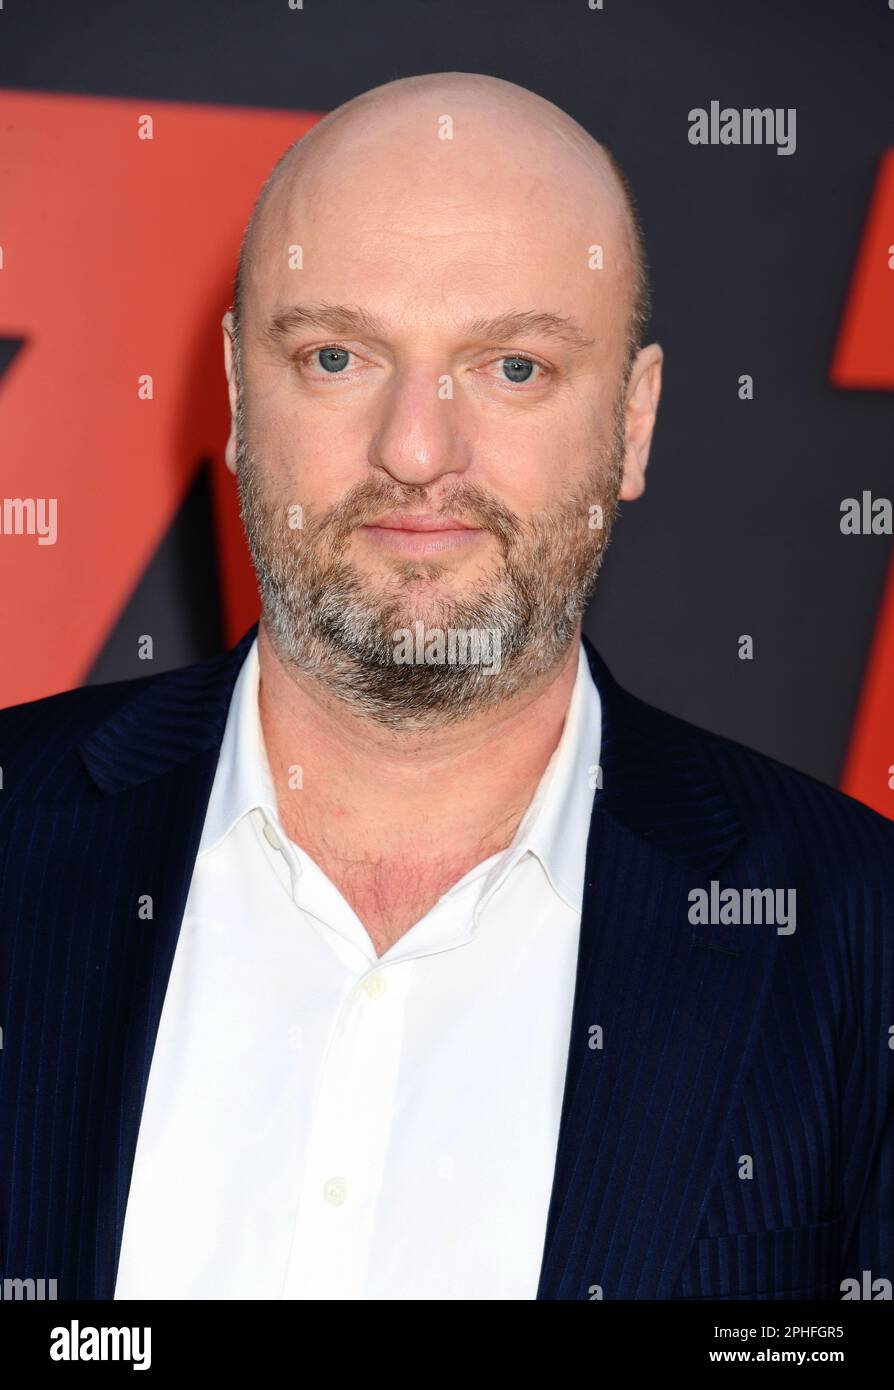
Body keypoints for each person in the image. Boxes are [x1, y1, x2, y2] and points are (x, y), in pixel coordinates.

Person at [0, 72, 891, 1302]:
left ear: (632, 426)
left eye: (514, 367)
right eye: (336, 354)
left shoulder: (853, 932)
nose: (417, 448)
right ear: (241, 393)